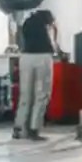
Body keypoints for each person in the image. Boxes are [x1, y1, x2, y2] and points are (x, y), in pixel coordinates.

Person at [13, 9, 59, 141]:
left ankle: (19, 128)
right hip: (42, 57)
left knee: (25, 94)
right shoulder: (46, 20)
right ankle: (34, 129)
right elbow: (54, 31)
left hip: (26, 57)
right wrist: (57, 47)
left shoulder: (27, 22)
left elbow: (20, 39)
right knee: (41, 94)